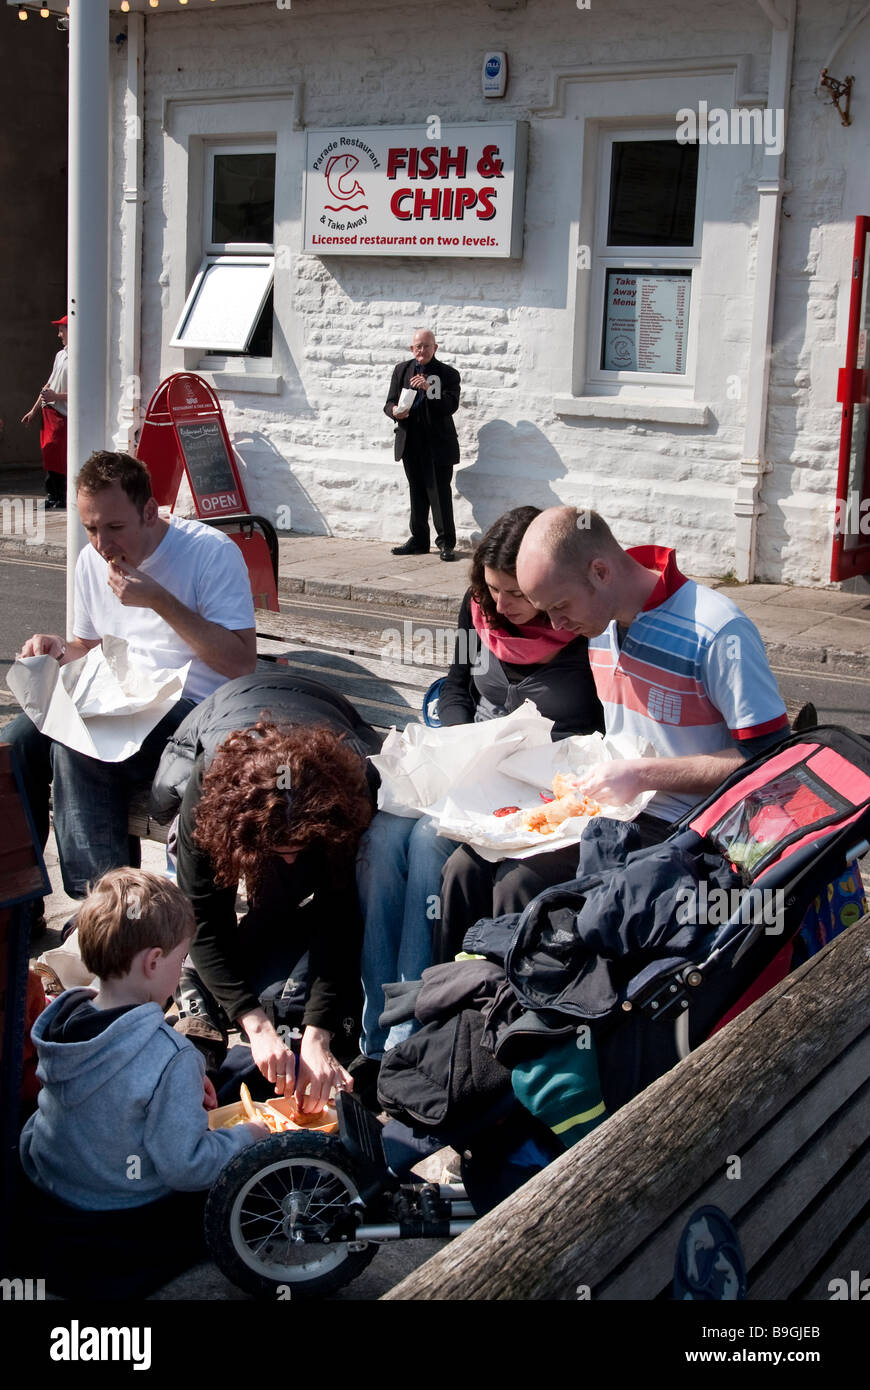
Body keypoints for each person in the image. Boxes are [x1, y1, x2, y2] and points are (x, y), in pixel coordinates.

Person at [357, 506, 603, 1061]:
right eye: (490, 589)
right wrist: (462, 738)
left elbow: (601, 727)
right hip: (470, 762)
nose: (499, 606)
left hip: (540, 787)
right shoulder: (479, 612)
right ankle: (373, 1026)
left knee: (425, 843)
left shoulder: (579, 627)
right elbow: (456, 685)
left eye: (514, 593)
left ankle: (410, 1033)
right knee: (381, 838)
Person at [5, 449, 257, 899]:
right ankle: (19, 901)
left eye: (114, 527)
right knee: (17, 742)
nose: (102, 544)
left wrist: (159, 600)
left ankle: (107, 914)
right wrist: (58, 649)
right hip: (120, 699)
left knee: (78, 744)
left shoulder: (209, 554)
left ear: (148, 512)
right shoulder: (91, 560)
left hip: (193, 712)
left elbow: (240, 662)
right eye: (91, 528)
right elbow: (89, 645)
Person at [17, 869, 266, 1298]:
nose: (182, 970)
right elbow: (184, 1166)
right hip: (122, 1206)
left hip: (53, 1183)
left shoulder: (60, 1020)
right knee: (246, 1191)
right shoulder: (172, 1056)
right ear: (153, 962)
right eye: (181, 959)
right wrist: (246, 1138)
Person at [157, 671, 381, 1111]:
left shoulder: (353, 786)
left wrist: (319, 1033)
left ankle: (215, 984)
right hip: (224, 714)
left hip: (329, 713)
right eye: (280, 849)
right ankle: (198, 983)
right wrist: (256, 1027)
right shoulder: (209, 793)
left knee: (295, 890)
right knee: (243, 899)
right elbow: (205, 913)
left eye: (300, 848)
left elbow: (339, 916)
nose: (292, 858)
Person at [515, 506, 790, 841]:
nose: (557, 625)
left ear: (600, 572)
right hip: (611, 817)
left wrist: (644, 775)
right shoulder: (599, 625)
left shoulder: (718, 630)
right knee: (468, 866)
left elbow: (770, 755)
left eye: (560, 606)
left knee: (518, 884)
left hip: (691, 828)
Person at [386, 327, 460, 561]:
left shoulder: (447, 374)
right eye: (418, 346)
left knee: (439, 494)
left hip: (437, 444)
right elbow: (388, 403)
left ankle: (446, 543)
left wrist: (429, 390)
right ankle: (418, 540)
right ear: (412, 348)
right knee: (417, 493)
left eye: (427, 345)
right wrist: (395, 412)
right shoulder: (401, 370)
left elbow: (450, 406)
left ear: (435, 348)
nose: (422, 350)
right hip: (410, 442)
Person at [21, 314, 68, 508]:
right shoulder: (60, 355)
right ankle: (52, 495)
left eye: (62, 330)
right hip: (48, 412)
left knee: (60, 456)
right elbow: (48, 384)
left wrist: (56, 397)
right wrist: (33, 411)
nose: (59, 334)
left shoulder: (80, 357)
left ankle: (62, 496)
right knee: (48, 454)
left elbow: (82, 391)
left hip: (62, 414)